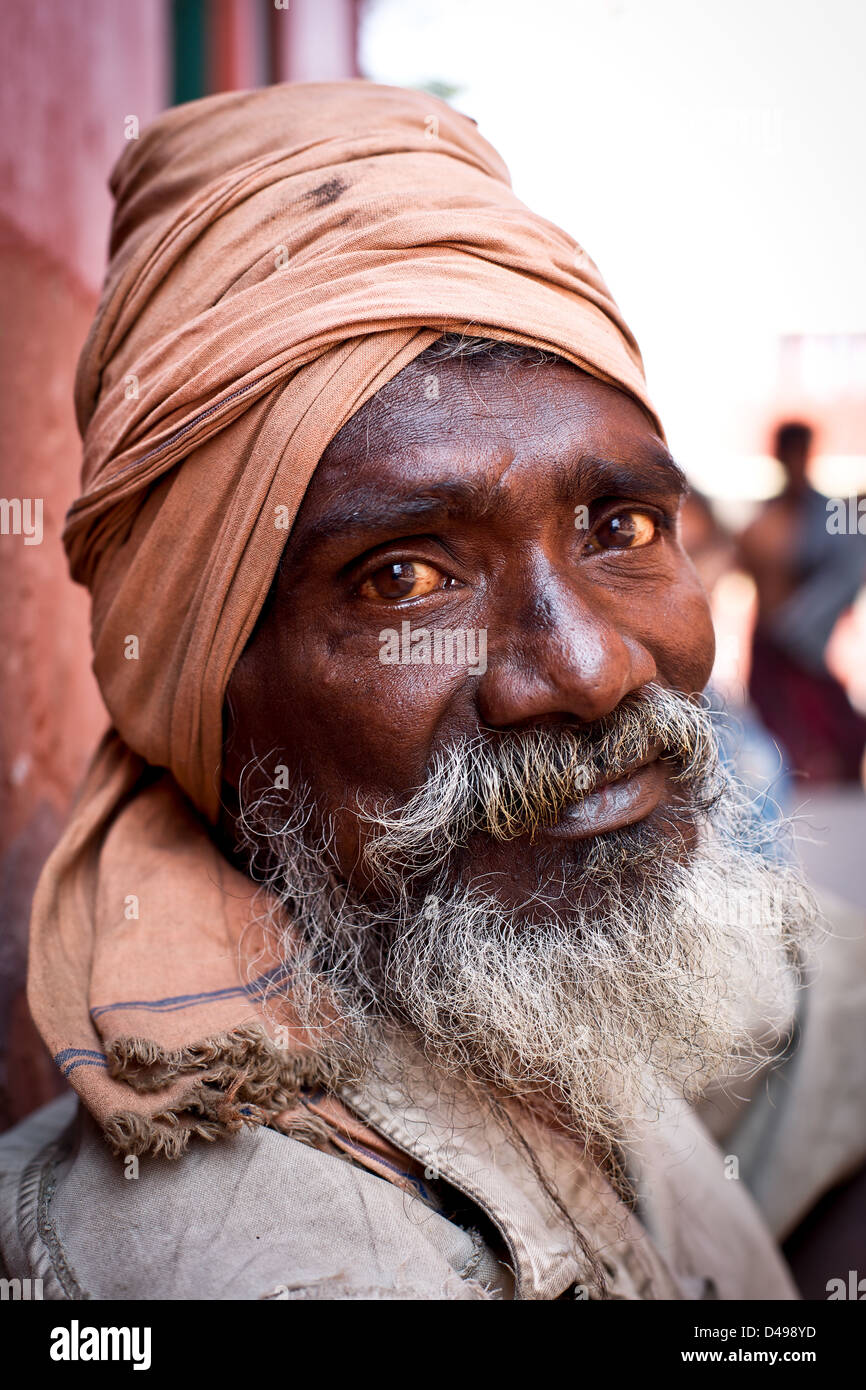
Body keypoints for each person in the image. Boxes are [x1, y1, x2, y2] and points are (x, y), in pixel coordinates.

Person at [1, 83, 864, 1302]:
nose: (587, 668)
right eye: (404, 577)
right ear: (211, 685)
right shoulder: (246, 1255)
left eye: (617, 524)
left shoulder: (518, 953)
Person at [739, 421, 866, 784]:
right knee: (779, 745)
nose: (796, 460)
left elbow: (847, 574)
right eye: (790, 452)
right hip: (772, 648)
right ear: (779, 454)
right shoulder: (765, 516)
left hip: (803, 652)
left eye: (801, 452)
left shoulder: (829, 517)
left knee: (829, 743)